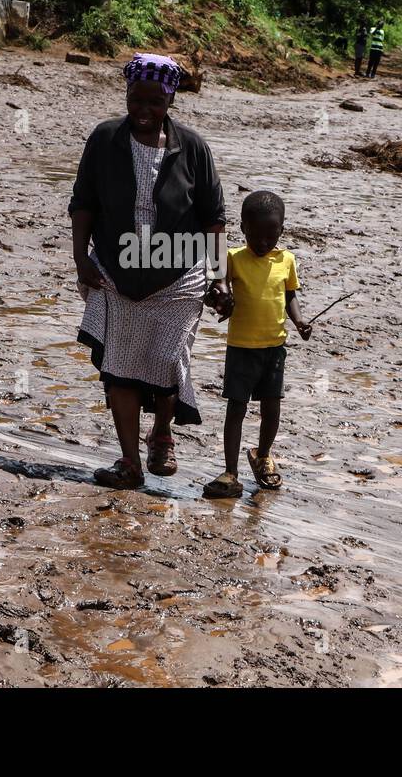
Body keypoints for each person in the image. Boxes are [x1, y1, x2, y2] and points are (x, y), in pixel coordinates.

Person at [70, 53, 226, 489]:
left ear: (170, 101)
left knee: (167, 359)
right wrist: (81, 258)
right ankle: (128, 462)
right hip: (116, 271)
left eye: (154, 102)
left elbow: (214, 217)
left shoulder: (192, 147)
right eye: (135, 99)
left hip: (176, 272)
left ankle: (161, 433)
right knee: (119, 365)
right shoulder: (104, 139)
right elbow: (84, 203)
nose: (143, 110)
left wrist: (219, 277)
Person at [202, 191, 311, 498]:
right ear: (243, 228)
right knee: (236, 409)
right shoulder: (234, 258)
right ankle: (230, 472)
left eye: (271, 235)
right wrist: (220, 297)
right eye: (257, 235)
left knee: (272, 409)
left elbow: (290, 297)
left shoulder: (286, 260)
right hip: (241, 348)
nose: (264, 242)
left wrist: (299, 322)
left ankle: (262, 456)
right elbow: (217, 287)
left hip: (275, 348)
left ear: (282, 230)